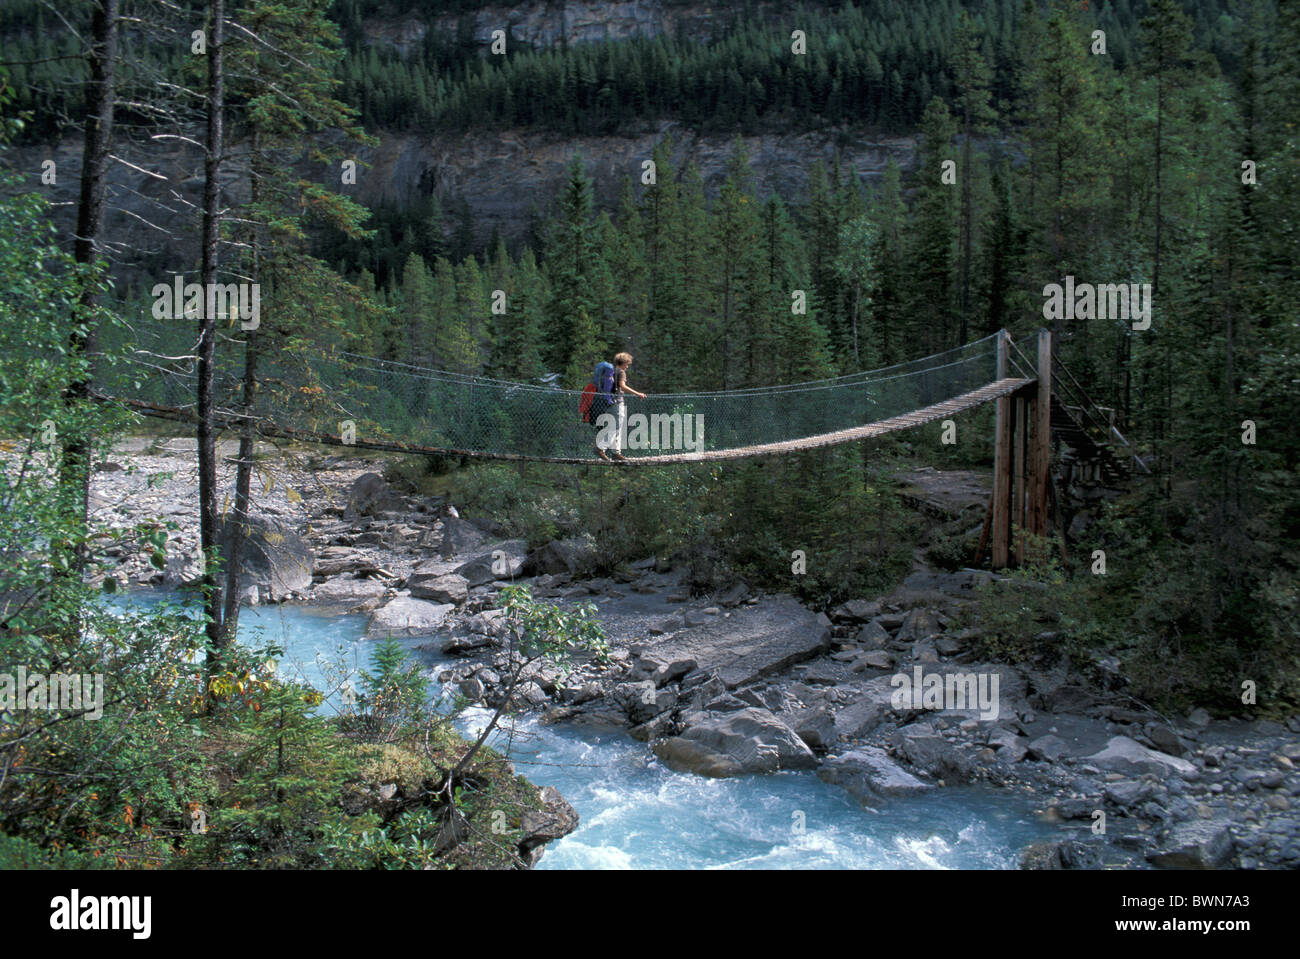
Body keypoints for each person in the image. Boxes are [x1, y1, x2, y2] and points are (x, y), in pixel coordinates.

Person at [607, 351, 647, 462]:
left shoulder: (611, 371)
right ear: (623, 362)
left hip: (608, 402)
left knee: (612, 427)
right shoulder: (621, 372)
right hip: (617, 402)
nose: (627, 366)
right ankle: (613, 452)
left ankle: (613, 451)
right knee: (617, 427)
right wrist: (638, 393)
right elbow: (622, 386)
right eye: (627, 364)